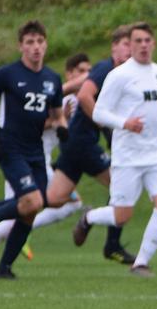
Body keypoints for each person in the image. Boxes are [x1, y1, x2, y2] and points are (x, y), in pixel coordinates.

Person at [73, 23, 157, 276]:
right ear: (131, 44)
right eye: (138, 41)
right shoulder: (119, 75)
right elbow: (101, 112)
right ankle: (90, 217)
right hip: (128, 155)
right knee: (122, 215)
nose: (143, 45)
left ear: (154, 43)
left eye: (148, 40)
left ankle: (141, 263)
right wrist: (124, 123)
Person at [0, 51, 90, 268]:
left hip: (38, 159)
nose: (86, 75)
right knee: (35, 204)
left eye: (88, 71)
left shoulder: (74, 99)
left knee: (30, 207)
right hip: (22, 156)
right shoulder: (55, 90)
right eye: (81, 71)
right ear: (69, 74)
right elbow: (36, 120)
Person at [57, 25, 136, 264]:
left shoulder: (125, 76)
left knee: (48, 198)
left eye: (133, 46)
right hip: (83, 143)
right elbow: (84, 97)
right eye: (125, 45)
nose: (130, 50)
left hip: (75, 143)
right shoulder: (105, 68)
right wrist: (108, 126)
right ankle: (110, 242)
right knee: (121, 189)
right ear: (114, 47)